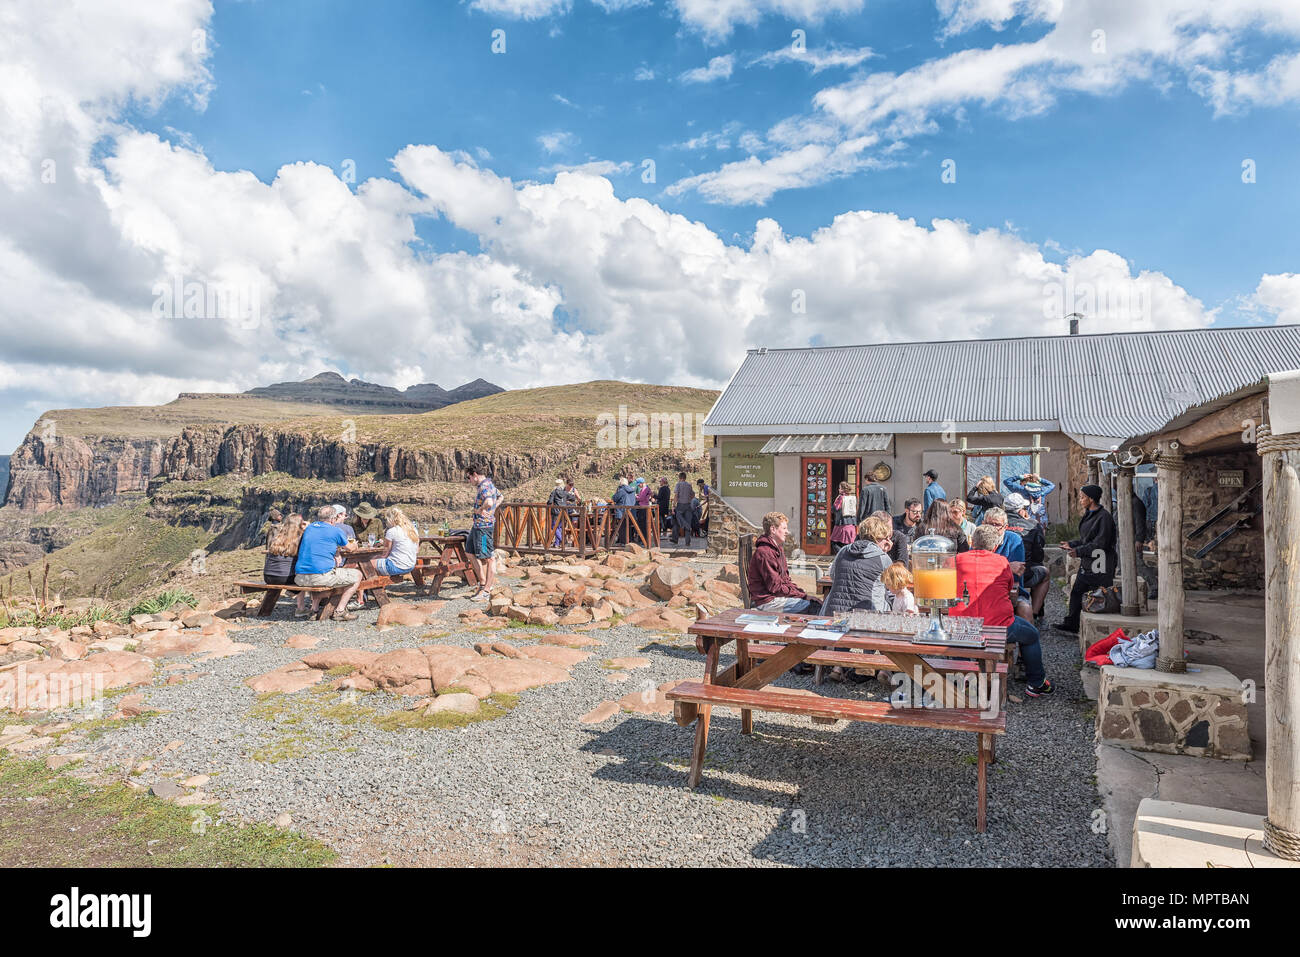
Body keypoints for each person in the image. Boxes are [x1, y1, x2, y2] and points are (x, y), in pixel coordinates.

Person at [952, 525, 1054, 697]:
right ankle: (1036, 683)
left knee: (957, 635)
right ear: (995, 547)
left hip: (962, 625)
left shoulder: (956, 560)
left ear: (972, 542)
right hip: (997, 625)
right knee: (1031, 635)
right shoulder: (1001, 562)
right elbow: (1008, 590)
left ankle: (963, 675)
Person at [1054, 483, 1118, 634]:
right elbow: (1087, 539)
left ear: (1091, 499)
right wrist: (1072, 544)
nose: (1080, 500)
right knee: (1077, 591)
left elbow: (1100, 543)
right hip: (1090, 561)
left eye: (1083, 497)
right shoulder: (1090, 514)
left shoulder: (1104, 518)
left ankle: (1097, 630)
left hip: (1100, 563)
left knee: (1098, 593)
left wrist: (1079, 551)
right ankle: (1072, 623)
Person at [294, 506, 362, 621]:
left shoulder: (310, 528)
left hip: (299, 577)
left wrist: (335, 551)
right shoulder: (335, 530)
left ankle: (314, 610)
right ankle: (340, 610)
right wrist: (355, 544)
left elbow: (321, 544)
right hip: (320, 577)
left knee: (322, 568)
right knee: (358, 575)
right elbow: (350, 548)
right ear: (333, 519)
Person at [746, 512, 820, 616]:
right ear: (773, 529)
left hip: (776, 597)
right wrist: (802, 597)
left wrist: (802, 595)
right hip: (767, 602)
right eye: (784, 528)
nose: (787, 532)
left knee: (815, 603)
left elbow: (785, 580)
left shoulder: (777, 548)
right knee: (815, 607)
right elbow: (775, 587)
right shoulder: (764, 552)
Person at [822, 515, 892, 616]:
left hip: (833, 613)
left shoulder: (843, 550)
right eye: (887, 538)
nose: (888, 541)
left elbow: (833, 575)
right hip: (868, 616)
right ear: (880, 538)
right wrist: (884, 552)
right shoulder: (883, 558)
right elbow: (892, 586)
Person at [1004, 493, 1050, 620]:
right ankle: (1035, 613)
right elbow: (1038, 554)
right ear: (1021, 510)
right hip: (1023, 574)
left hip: (999, 572)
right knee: (1044, 573)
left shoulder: (997, 524)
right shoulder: (1032, 525)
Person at [981, 507, 1031, 621]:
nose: (993, 529)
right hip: (982, 589)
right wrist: (1006, 566)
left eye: (997, 525)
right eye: (989, 524)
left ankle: (1029, 636)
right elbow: (973, 563)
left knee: (1025, 609)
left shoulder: (1014, 540)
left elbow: (1017, 571)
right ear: (983, 524)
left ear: (1005, 526)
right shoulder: (979, 537)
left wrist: (988, 567)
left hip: (1009, 590)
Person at [465, 464, 501, 601]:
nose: (469, 481)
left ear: (475, 474)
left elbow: (490, 502)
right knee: (469, 551)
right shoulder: (489, 484)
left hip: (484, 527)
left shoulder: (484, 486)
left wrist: (481, 509)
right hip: (477, 526)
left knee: (487, 557)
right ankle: (482, 582)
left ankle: (486, 589)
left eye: (469, 478)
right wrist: (491, 511)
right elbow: (500, 497)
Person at [375, 507, 419, 578]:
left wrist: (374, 557)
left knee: (367, 564)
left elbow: (385, 553)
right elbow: (417, 550)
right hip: (410, 566)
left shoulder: (392, 531)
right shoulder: (413, 530)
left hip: (396, 567)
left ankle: (371, 587)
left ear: (390, 519)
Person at [830, 481, 858, 553]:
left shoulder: (841, 498)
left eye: (839, 488)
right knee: (849, 543)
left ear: (842, 489)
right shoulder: (853, 498)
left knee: (834, 542)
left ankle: (843, 556)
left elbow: (835, 508)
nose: (838, 490)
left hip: (841, 524)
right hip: (852, 524)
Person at [612, 474, 637, 544]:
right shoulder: (632, 490)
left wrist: (616, 492)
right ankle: (629, 540)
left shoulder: (622, 490)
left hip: (622, 511)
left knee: (622, 527)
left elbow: (614, 498)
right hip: (631, 511)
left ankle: (623, 542)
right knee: (628, 526)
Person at [672, 471, 693, 545]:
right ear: (685, 478)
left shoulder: (678, 484)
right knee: (687, 521)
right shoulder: (689, 485)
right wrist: (689, 500)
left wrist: (673, 505)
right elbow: (692, 495)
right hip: (688, 505)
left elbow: (676, 495)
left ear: (680, 478)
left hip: (680, 505)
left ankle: (675, 539)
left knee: (677, 519)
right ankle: (687, 542)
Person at [547, 478, 568, 547]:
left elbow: (550, 502)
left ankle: (562, 540)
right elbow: (572, 498)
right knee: (559, 527)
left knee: (554, 527)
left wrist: (548, 504)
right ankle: (556, 544)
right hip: (564, 512)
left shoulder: (554, 492)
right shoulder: (564, 492)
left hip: (556, 512)